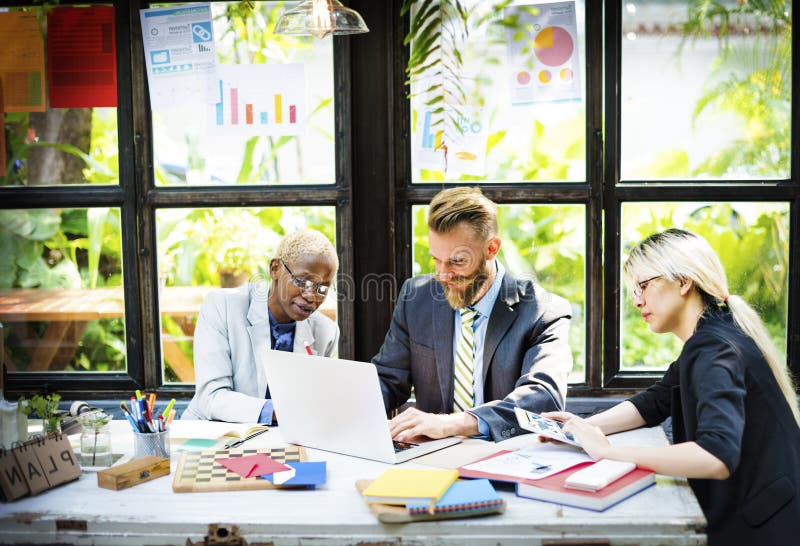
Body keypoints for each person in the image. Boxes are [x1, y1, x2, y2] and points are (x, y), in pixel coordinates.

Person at [543, 228, 800, 544]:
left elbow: (715, 456)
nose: (637, 301)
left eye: (643, 286)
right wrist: (582, 427)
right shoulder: (712, 335)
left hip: (765, 531)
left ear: (682, 281)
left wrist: (609, 452)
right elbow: (656, 401)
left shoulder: (714, 348)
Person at [372, 187, 574, 442]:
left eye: (457, 262)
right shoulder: (416, 297)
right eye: (436, 259)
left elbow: (543, 398)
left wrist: (453, 424)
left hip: (507, 455)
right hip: (431, 455)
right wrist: (349, 413)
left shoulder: (543, 312)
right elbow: (387, 379)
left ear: (491, 248)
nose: (443, 274)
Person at [183, 229, 339, 423]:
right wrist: (280, 412)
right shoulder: (222, 306)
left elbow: (312, 402)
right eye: (302, 281)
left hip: (278, 440)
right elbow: (211, 398)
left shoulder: (325, 331)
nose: (311, 296)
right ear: (275, 269)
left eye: (322, 288)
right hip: (212, 435)